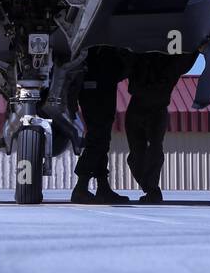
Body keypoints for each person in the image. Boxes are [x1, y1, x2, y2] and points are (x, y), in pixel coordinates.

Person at [123, 51, 198, 203]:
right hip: (141, 105)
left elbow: (185, 59)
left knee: (153, 149)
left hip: (155, 107)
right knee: (137, 153)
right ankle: (150, 187)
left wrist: (197, 48)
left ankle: (151, 188)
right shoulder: (140, 56)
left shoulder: (171, 60)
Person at [71, 47, 130, 204]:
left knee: (101, 139)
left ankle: (103, 187)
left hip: (102, 87)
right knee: (98, 139)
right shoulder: (99, 46)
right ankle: (81, 186)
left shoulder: (102, 47)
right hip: (97, 89)